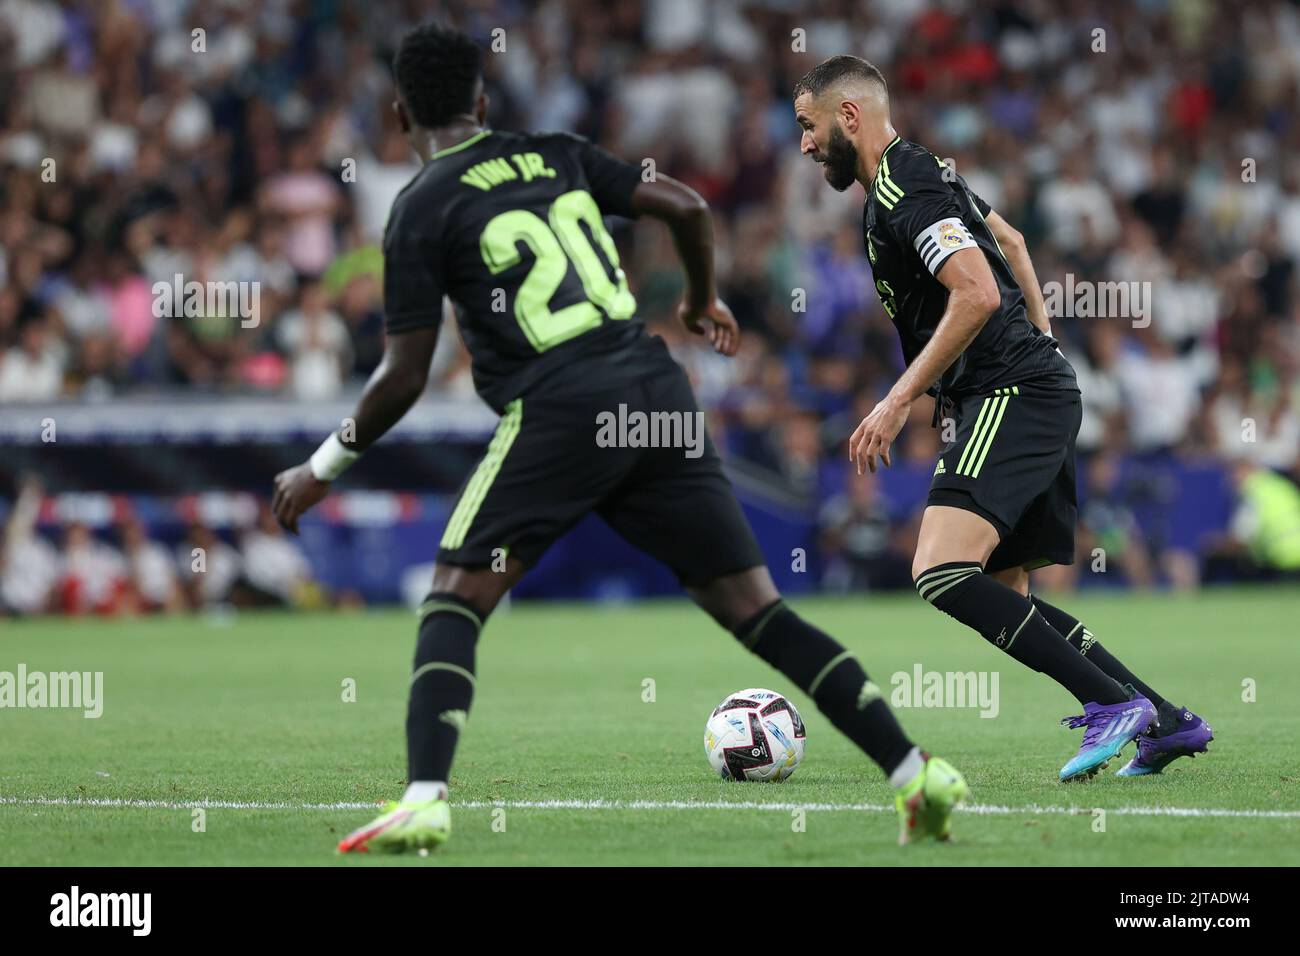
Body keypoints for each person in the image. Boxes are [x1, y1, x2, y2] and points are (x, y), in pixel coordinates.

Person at [272, 23, 967, 853]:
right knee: (757, 609)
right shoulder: (553, 152)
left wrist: (322, 467)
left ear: (397, 114)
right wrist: (701, 298)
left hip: (564, 406)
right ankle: (913, 771)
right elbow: (685, 203)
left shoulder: (422, 205)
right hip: (656, 393)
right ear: (485, 104)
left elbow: (403, 375)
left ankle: (425, 797)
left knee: (456, 596)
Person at [792, 55, 1211, 781]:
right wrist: (1046, 340)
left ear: (847, 117)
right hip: (1028, 386)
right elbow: (1011, 243)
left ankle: (1112, 705)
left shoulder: (903, 186)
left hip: (1007, 393)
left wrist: (896, 401)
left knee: (939, 570)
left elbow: (978, 294)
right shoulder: (926, 172)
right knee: (1004, 588)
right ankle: (1165, 721)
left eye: (808, 125)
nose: (802, 144)